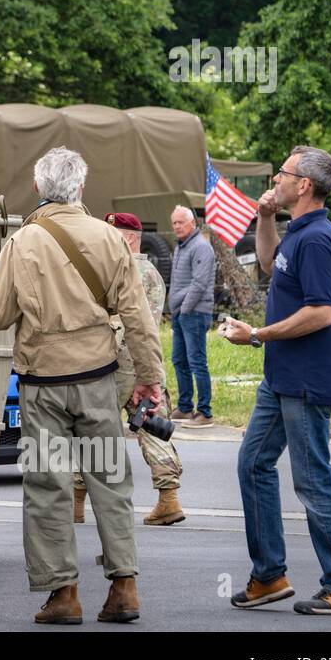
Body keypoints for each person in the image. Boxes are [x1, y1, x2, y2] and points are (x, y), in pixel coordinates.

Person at [0, 147, 162, 625]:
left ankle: (64, 595)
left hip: (42, 387)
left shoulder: (22, 242)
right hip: (98, 380)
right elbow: (138, 318)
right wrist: (150, 380)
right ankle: (124, 589)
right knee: (111, 482)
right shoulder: (111, 239)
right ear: (80, 188)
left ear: (37, 188)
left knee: (47, 488)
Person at [221, 146, 331, 615]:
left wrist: (257, 335)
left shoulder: (320, 238)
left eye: (282, 173)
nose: (275, 179)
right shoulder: (298, 232)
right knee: (253, 464)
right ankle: (269, 576)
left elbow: (322, 313)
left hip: (306, 380)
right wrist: (264, 217)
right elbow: (267, 265)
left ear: (304, 185)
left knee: (312, 481)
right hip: (280, 378)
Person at [73, 212, 185, 526]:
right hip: (146, 362)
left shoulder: (121, 269)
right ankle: (169, 499)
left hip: (113, 362)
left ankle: (76, 502)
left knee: (88, 427)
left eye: (112, 235)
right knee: (152, 428)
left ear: (129, 237)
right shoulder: (151, 271)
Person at [168, 204, 215, 426]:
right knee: (179, 360)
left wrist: (185, 309)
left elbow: (199, 283)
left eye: (180, 222)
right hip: (181, 312)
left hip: (194, 312)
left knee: (197, 361)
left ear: (192, 223)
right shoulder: (181, 246)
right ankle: (185, 408)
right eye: (174, 223)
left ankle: (204, 413)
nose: (176, 226)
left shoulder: (201, 247)